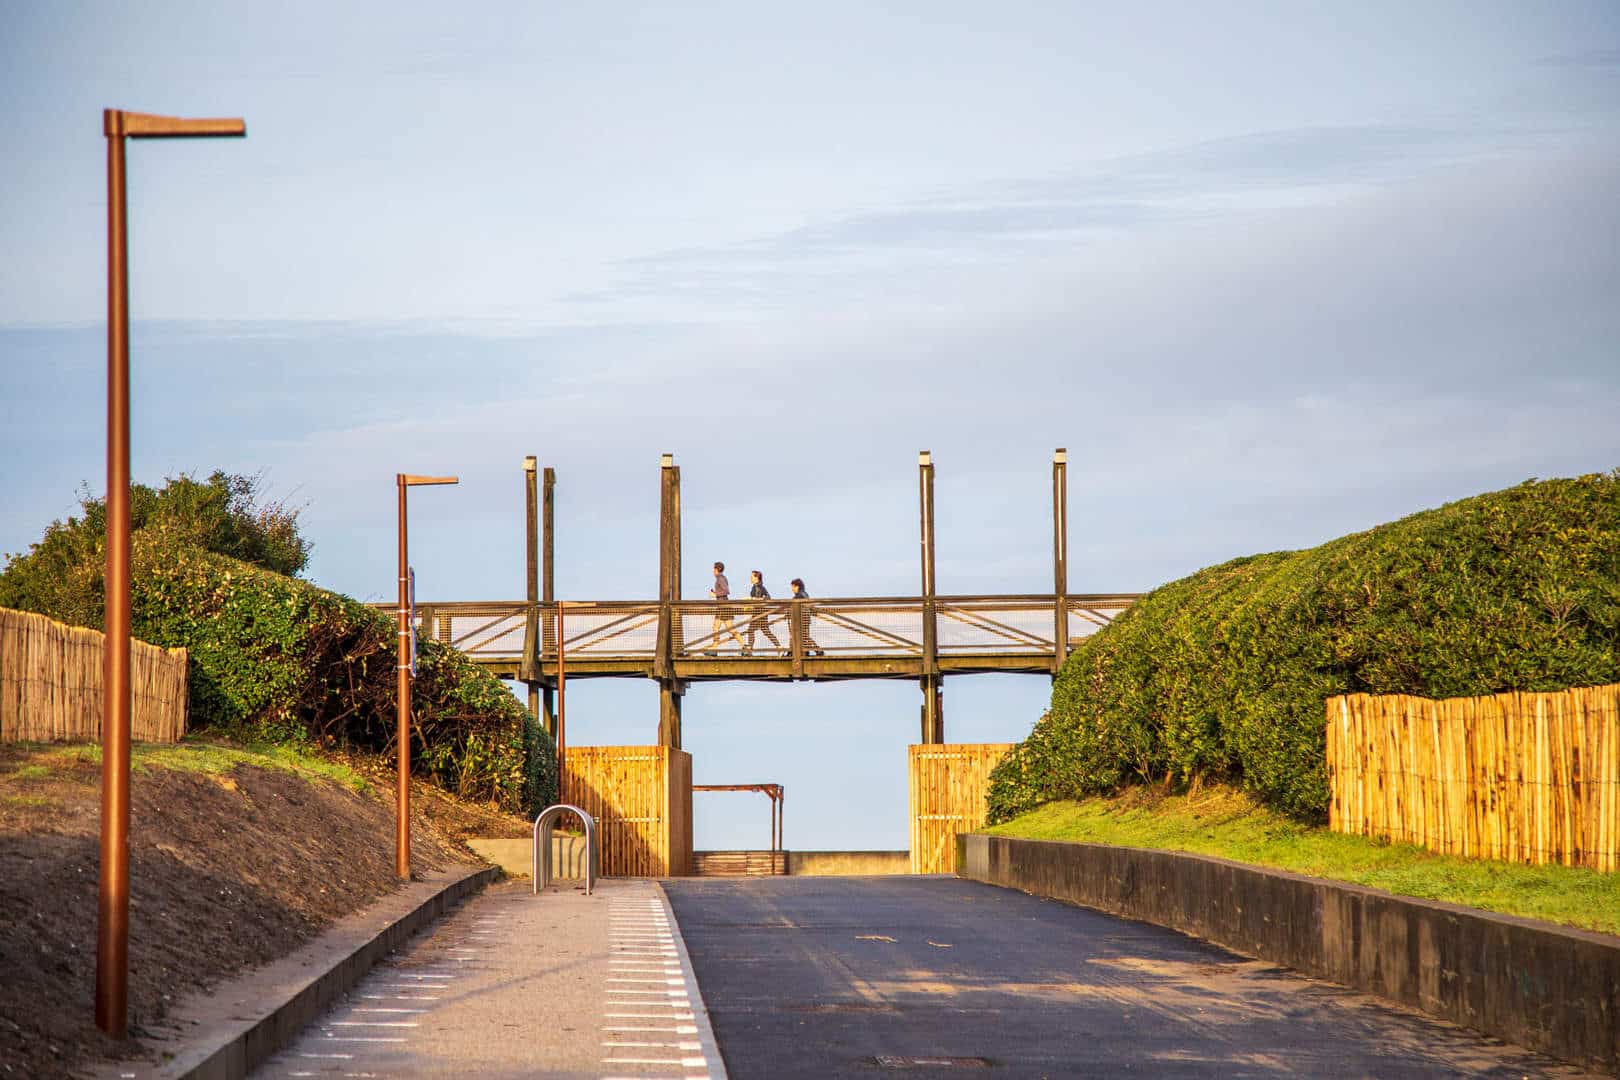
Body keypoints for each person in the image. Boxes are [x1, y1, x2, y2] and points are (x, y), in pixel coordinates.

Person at [708, 561, 746, 654]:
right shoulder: (721, 578)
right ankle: (744, 646)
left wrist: (714, 594)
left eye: (714, 569)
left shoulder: (720, 578)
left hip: (723, 606)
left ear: (717, 569)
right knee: (729, 628)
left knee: (716, 627)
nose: (713, 570)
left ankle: (714, 649)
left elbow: (726, 591)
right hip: (723, 605)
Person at [745, 569, 782, 656]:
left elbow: (765, 598)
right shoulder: (760, 586)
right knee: (765, 631)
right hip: (761, 612)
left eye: (752, 576)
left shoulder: (757, 587)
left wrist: (755, 600)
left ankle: (749, 650)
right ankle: (779, 647)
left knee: (751, 630)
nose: (750, 578)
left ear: (756, 577)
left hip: (758, 612)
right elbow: (768, 597)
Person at [789, 577, 821, 655]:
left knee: (797, 635)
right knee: (804, 636)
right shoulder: (805, 594)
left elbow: (793, 606)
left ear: (797, 586)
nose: (792, 589)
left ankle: (791, 652)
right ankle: (807, 651)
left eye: (792, 587)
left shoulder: (798, 596)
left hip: (800, 618)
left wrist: (788, 611)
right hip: (805, 617)